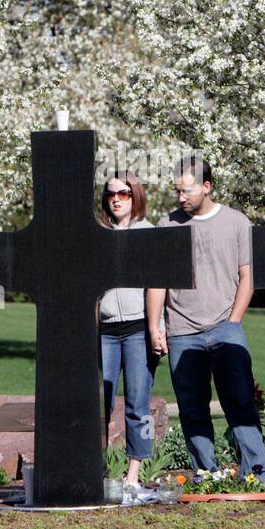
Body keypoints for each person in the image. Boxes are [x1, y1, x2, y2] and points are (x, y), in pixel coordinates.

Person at [146, 155, 265, 477]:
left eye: (186, 191)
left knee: (241, 403)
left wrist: (233, 321)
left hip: (225, 326)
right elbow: (157, 281)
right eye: (177, 191)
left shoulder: (237, 222)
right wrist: (154, 326)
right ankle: (207, 476)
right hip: (181, 331)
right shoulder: (167, 226)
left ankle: (257, 475)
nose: (180, 198)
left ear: (207, 186)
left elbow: (248, 278)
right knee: (192, 410)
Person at [96, 171, 157, 489]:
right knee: (98, 402)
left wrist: (155, 328)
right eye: (110, 194)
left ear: (136, 196)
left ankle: (133, 475)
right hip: (105, 331)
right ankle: (96, 471)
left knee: (138, 402)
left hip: (137, 330)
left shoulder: (148, 233)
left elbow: (158, 286)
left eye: (124, 193)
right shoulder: (97, 234)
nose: (116, 199)